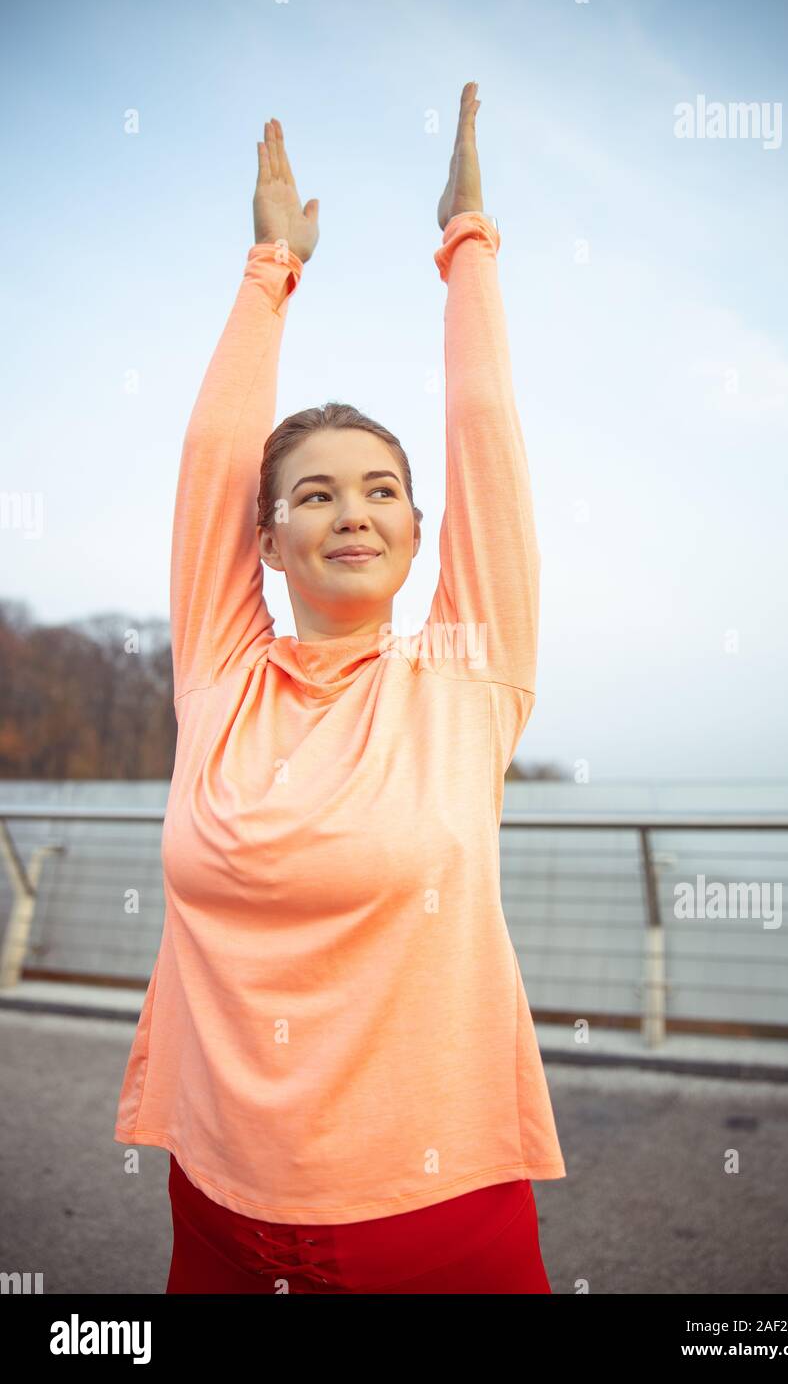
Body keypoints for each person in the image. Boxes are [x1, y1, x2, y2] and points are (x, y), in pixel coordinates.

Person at [114, 83, 566, 1294]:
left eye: (377, 489)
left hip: (433, 1215)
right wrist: (269, 268)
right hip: (214, 1207)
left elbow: (484, 437)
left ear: (420, 531)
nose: (349, 509)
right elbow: (215, 465)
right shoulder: (219, 681)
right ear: (266, 541)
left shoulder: (464, 681)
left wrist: (465, 241)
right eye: (311, 493)